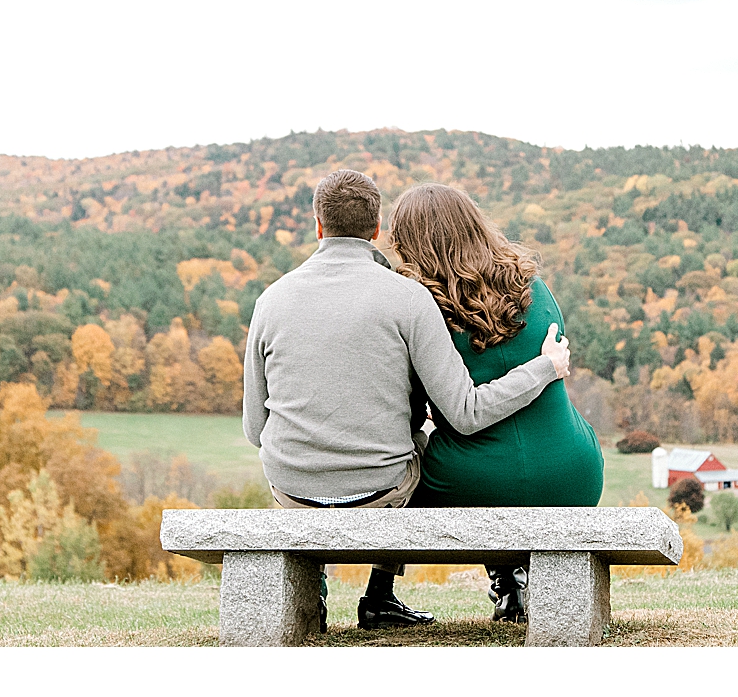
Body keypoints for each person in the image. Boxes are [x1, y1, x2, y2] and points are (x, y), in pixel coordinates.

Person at [243, 169, 571, 631]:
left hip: (293, 492)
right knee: (421, 445)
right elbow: (465, 413)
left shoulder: (270, 300)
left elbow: (255, 431)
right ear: (376, 229)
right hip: (382, 494)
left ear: (317, 225)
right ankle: (390, 594)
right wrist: (544, 367)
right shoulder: (409, 297)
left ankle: (314, 589)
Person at [390, 183, 605, 623]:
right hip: (573, 476)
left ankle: (381, 592)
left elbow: (426, 408)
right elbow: (554, 359)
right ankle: (510, 582)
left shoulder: (423, 312)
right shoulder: (536, 290)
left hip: (470, 481)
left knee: (405, 463)